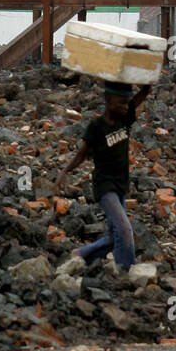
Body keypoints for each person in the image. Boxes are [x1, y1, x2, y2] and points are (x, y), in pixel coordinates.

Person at [52, 80, 151, 272]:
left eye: (126, 102)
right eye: (120, 102)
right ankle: (126, 272)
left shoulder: (125, 118)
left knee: (114, 236)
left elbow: (145, 91)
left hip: (121, 183)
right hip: (105, 187)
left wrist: (140, 74)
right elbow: (82, 154)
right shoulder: (97, 126)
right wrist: (64, 172)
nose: (125, 106)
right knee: (124, 229)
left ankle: (82, 254)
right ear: (108, 101)